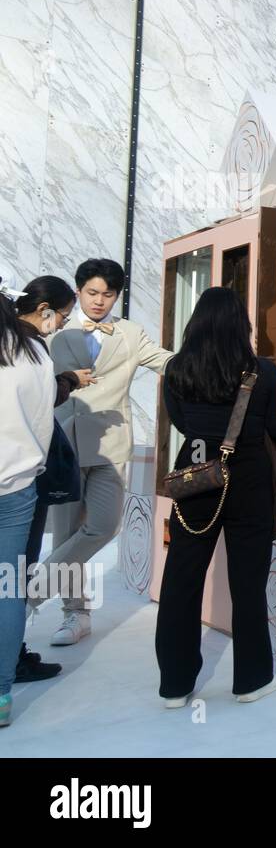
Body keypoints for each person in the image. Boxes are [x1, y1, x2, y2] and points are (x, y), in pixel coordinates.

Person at [155, 287, 276, 707]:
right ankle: (251, 680)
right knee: (248, 581)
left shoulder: (176, 370)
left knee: (181, 578)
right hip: (248, 477)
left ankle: (175, 685)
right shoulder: (263, 373)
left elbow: (180, 421)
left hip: (197, 475)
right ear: (241, 326)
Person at [33, 259, 171, 645]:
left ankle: (33, 591)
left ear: (117, 296)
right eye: (92, 293)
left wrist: (209, 362)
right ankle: (75, 615)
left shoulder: (130, 333)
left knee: (105, 525)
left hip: (110, 447)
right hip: (63, 445)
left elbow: (164, 361)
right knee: (65, 533)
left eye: (107, 294)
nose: (99, 301)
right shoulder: (56, 330)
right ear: (78, 292)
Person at [12, 276, 95, 683]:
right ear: (46, 311)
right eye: (63, 315)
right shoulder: (28, 348)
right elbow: (40, 402)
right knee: (14, 577)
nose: (63, 323)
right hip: (21, 480)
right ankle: (11, 661)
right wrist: (69, 381)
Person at [0, 275, 56, 727]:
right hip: (17, 485)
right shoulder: (34, 351)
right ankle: (0, 696)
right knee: (7, 589)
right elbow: (43, 422)